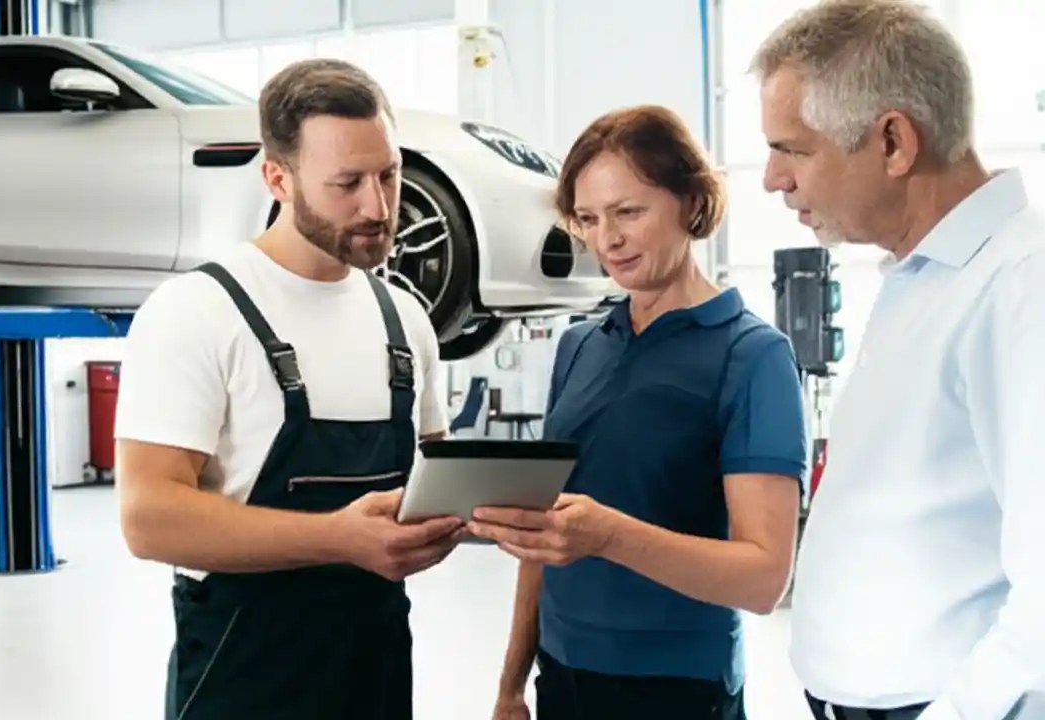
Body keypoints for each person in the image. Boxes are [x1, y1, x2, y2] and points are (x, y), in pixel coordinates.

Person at [112, 58, 465, 720]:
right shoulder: (197, 310)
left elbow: (433, 481)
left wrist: (493, 512)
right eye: (347, 184)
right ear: (276, 177)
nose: (379, 206)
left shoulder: (405, 319)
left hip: (377, 670)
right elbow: (148, 517)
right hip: (244, 676)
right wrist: (340, 538)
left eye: (388, 174)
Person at [749, 1, 1045, 718]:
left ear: (893, 142)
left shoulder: (1019, 288)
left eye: (793, 148)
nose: (770, 179)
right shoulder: (925, 277)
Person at [469, 105, 809, 720]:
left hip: (678, 691)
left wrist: (610, 536)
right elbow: (544, 531)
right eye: (590, 219)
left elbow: (763, 580)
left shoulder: (752, 356)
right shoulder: (578, 345)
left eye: (629, 212)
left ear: (691, 200)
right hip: (562, 676)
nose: (608, 240)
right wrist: (511, 683)